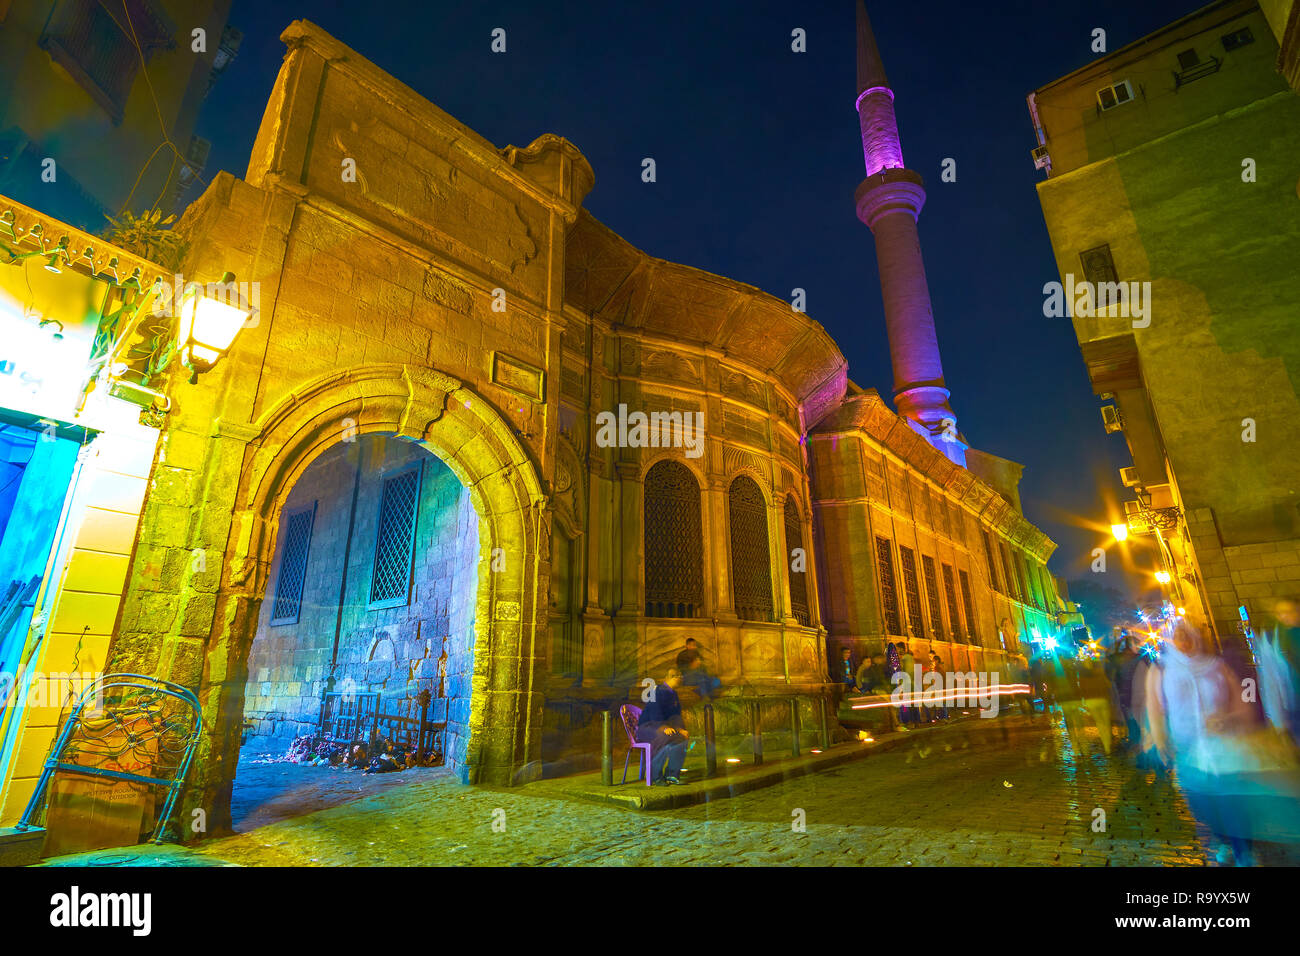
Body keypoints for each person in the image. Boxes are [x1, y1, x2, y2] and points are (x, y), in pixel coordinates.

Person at [637, 668, 690, 785]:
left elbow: (676, 715)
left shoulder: (673, 694)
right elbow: (654, 712)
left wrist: (681, 730)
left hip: (665, 726)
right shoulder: (657, 691)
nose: (681, 679)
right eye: (679, 677)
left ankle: (672, 774)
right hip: (647, 726)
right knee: (663, 737)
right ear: (672, 677)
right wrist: (663, 727)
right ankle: (655, 775)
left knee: (682, 739)